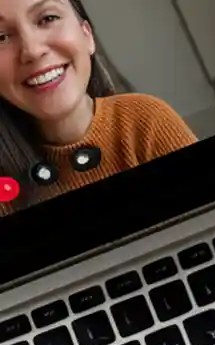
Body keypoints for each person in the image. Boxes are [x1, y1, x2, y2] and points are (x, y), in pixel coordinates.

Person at [0, 0, 197, 211]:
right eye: (1, 37)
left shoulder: (147, 120)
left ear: (87, 35)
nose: (32, 50)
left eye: (48, 18)